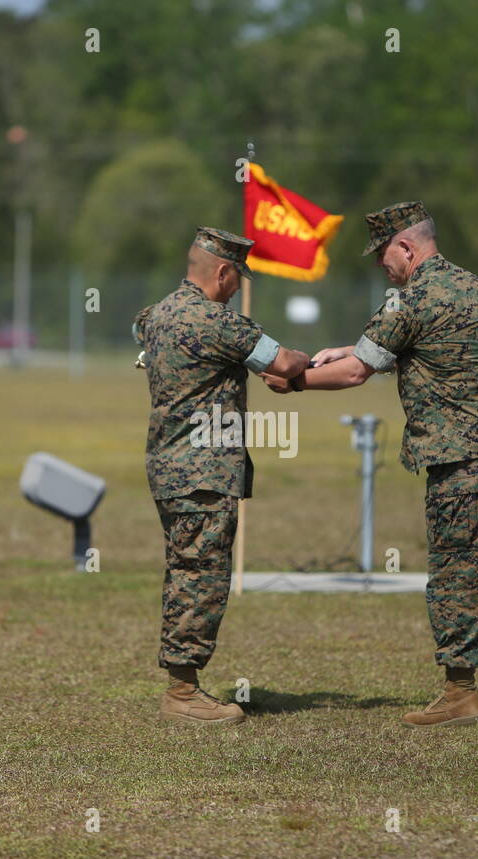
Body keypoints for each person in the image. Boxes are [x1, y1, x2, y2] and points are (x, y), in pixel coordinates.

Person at [262, 202, 478, 728]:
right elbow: (403, 349)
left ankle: (460, 692)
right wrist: (335, 351)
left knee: (456, 570)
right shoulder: (467, 284)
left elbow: (354, 375)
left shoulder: (409, 300)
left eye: (383, 255)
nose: (379, 266)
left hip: (460, 457)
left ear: (407, 247)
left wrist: (293, 381)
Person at [137, 227, 310, 725]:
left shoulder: (157, 315)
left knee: (183, 569)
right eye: (237, 278)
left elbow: (141, 341)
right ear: (222, 271)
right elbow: (282, 361)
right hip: (205, 470)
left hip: (168, 464)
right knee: (202, 577)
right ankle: (183, 692)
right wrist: (301, 364)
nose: (237, 288)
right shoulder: (217, 322)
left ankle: (183, 684)